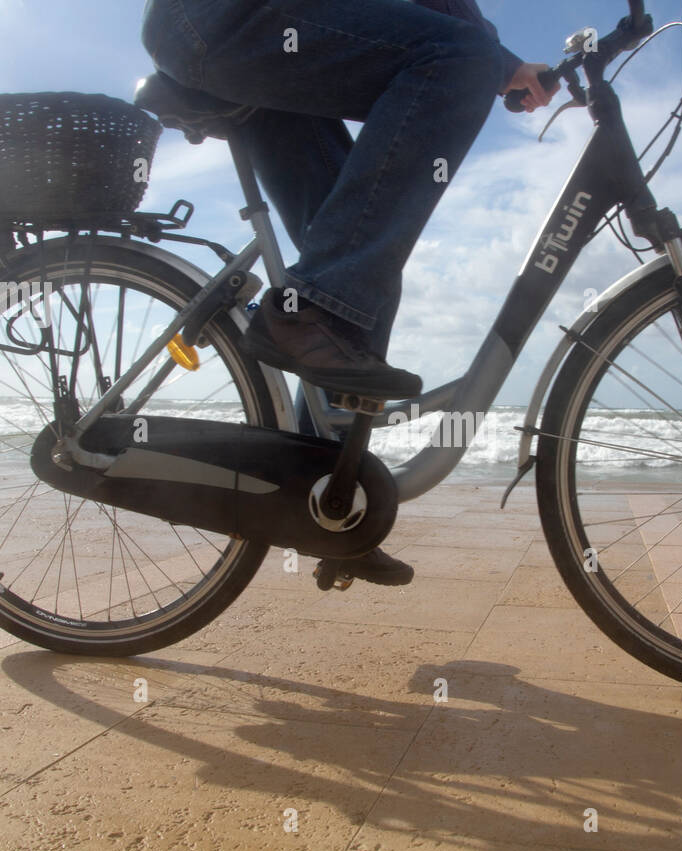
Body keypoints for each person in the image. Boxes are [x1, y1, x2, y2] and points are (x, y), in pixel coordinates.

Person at [141, 0, 558, 585]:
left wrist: (501, 61)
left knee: (364, 267)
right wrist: (501, 62)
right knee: (462, 57)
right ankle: (298, 315)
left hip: (258, 35)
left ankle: (325, 499)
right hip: (217, 19)